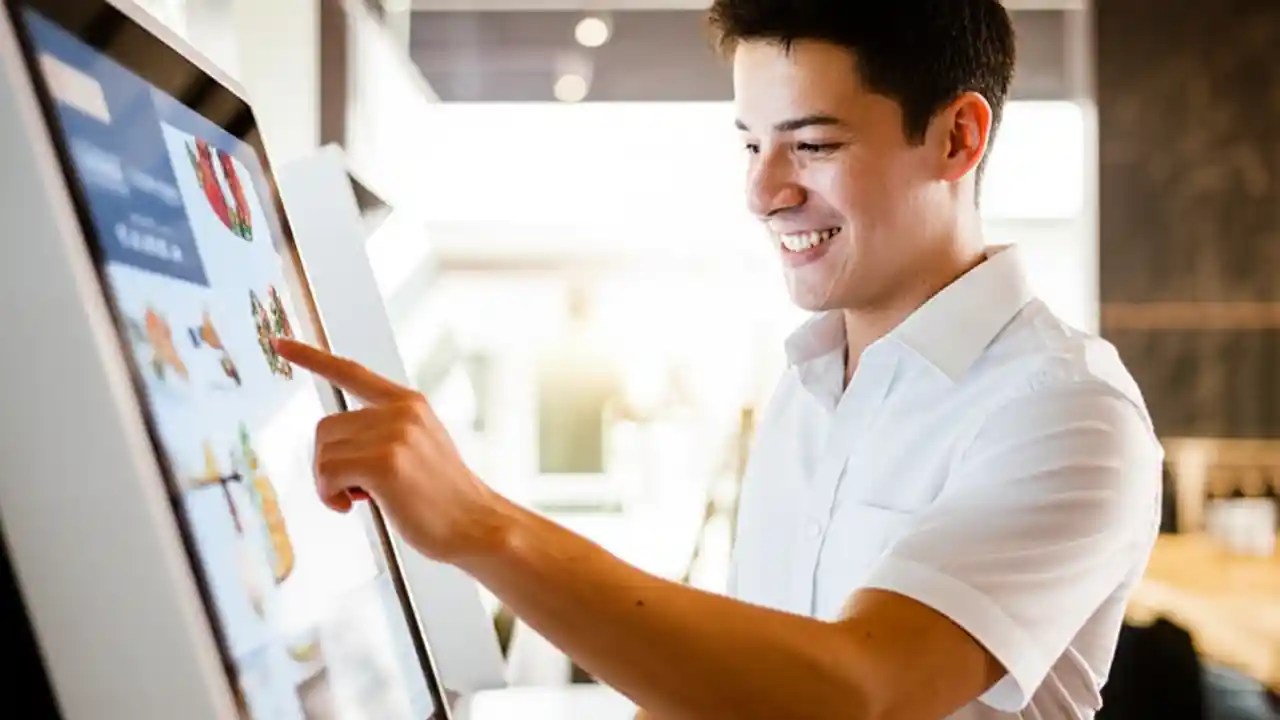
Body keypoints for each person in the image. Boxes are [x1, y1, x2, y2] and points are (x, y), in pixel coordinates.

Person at [274, 1, 1163, 717]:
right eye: (751, 144)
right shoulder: (810, 388)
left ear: (958, 139)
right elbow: (733, 687)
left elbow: (857, 693)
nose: (764, 192)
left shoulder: (1065, 409)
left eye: (813, 145)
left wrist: (480, 524)